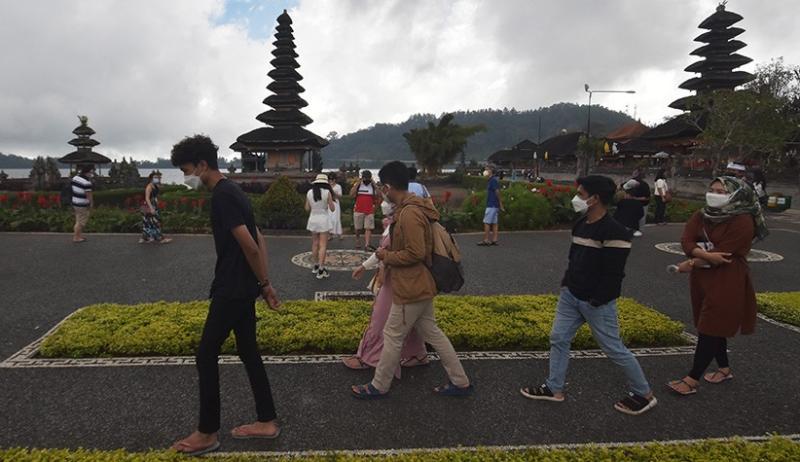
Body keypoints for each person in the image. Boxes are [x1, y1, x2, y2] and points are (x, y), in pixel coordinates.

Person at [169, 135, 281, 456]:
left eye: (187, 170)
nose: (186, 176)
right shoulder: (235, 190)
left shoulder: (222, 196)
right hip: (243, 287)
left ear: (203, 165)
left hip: (231, 288)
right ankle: (267, 420)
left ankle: (207, 432)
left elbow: (249, 242)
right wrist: (263, 283)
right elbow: (260, 237)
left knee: (206, 354)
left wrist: (265, 284)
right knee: (248, 350)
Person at [520, 175, 658, 416]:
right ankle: (554, 388)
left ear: (594, 199)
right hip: (571, 296)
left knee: (614, 348)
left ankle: (644, 393)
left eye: (581, 194)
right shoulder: (581, 223)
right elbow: (574, 258)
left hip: (596, 302)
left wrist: (596, 300)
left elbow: (614, 275)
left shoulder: (615, 232)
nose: (577, 198)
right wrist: (566, 284)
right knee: (559, 338)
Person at [350, 161, 473, 399]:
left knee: (392, 335)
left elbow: (415, 252)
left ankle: (379, 385)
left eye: (383, 188)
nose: (383, 193)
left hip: (411, 286)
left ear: (387, 186)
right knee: (433, 333)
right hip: (421, 284)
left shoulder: (409, 213)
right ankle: (460, 381)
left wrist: (386, 255)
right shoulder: (416, 207)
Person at [666, 176, 767, 396]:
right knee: (712, 325)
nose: (714, 194)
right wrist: (698, 256)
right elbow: (687, 240)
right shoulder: (702, 215)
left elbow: (725, 255)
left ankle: (692, 379)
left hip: (727, 277)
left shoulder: (742, 220)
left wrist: (691, 262)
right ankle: (724, 368)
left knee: (710, 327)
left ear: (735, 195)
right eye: (712, 189)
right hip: (702, 277)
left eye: (721, 191)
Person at [343, 198, 429, 372]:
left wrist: (373, 266)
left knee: (380, 318)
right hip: (414, 279)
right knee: (414, 320)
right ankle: (416, 354)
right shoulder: (410, 218)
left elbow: (386, 252)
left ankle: (371, 358)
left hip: (396, 277)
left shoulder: (400, 222)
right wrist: (365, 265)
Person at [306, 174, 335, 279]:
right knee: (323, 245)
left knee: (315, 243)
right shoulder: (327, 193)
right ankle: (321, 269)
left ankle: (315, 266)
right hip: (323, 219)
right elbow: (332, 209)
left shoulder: (309, 193)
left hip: (313, 219)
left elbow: (307, 208)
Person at [140, 172, 172, 244]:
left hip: (153, 205)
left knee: (149, 222)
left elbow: (161, 187)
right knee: (154, 221)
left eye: (157, 177)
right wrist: (151, 208)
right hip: (147, 206)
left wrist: (159, 180)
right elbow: (147, 198)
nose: (157, 179)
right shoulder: (149, 186)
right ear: (151, 179)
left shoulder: (155, 185)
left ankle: (146, 238)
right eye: (155, 177)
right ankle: (160, 238)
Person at [350, 170, 378, 251]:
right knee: (358, 228)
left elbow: (379, 194)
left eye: (368, 178)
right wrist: (358, 183)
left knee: (368, 228)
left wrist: (374, 184)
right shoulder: (358, 185)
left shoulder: (372, 186)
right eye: (365, 178)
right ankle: (357, 239)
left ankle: (367, 244)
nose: (366, 180)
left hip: (369, 210)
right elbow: (351, 194)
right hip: (358, 209)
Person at [478, 165, 504, 246]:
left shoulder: (493, 181)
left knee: (487, 222)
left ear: (491, 171)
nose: (485, 171)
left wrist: (500, 204)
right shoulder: (490, 180)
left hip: (491, 205)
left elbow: (497, 192)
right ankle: (494, 239)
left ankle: (486, 239)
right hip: (493, 205)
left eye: (487, 169)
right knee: (494, 223)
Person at [71, 164, 94, 243]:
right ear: (87, 172)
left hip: (75, 202)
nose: (92, 174)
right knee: (81, 222)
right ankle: (76, 237)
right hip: (82, 204)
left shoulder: (75, 178)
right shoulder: (87, 183)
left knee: (78, 220)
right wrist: (91, 204)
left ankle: (78, 236)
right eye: (91, 172)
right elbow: (89, 195)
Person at [627, 169, 650, 237]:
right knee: (638, 217)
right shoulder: (643, 184)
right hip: (638, 203)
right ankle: (637, 230)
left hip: (641, 203)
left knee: (639, 217)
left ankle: (639, 230)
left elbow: (647, 197)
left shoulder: (643, 185)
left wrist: (634, 198)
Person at [328, 173, 344, 240]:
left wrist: (333, 192)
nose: (331, 180)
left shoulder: (338, 186)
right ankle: (330, 234)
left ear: (335, 180)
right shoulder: (327, 186)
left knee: (336, 218)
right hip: (328, 204)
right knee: (329, 218)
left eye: (332, 179)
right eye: (329, 179)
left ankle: (339, 234)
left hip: (336, 204)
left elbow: (340, 196)